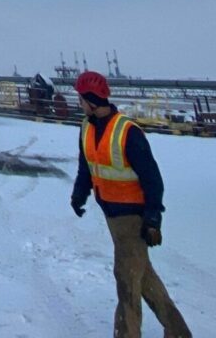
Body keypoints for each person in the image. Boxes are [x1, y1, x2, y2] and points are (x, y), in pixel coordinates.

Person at [71, 69, 191, 338]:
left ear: (91, 100)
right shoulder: (86, 127)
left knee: (126, 282)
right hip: (112, 218)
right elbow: (86, 166)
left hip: (133, 221)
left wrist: (152, 218)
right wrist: (80, 194)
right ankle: (179, 333)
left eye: (81, 98)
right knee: (144, 279)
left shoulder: (128, 132)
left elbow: (153, 180)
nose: (79, 103)